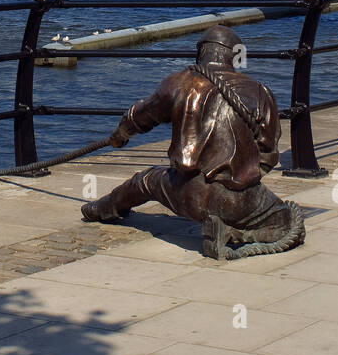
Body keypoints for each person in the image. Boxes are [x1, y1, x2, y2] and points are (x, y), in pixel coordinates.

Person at [81, 25, 306, 260]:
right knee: (287, 220)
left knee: (144, 182)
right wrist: (242, 176)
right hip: (242, 199)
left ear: (201, 53)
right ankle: (234, 232)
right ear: (235, 56)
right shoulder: (261, 92)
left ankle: (103, 208)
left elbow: (143, 114)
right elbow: (269, 153)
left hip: (191, 194)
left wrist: (121, 134)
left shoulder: (179, 82)